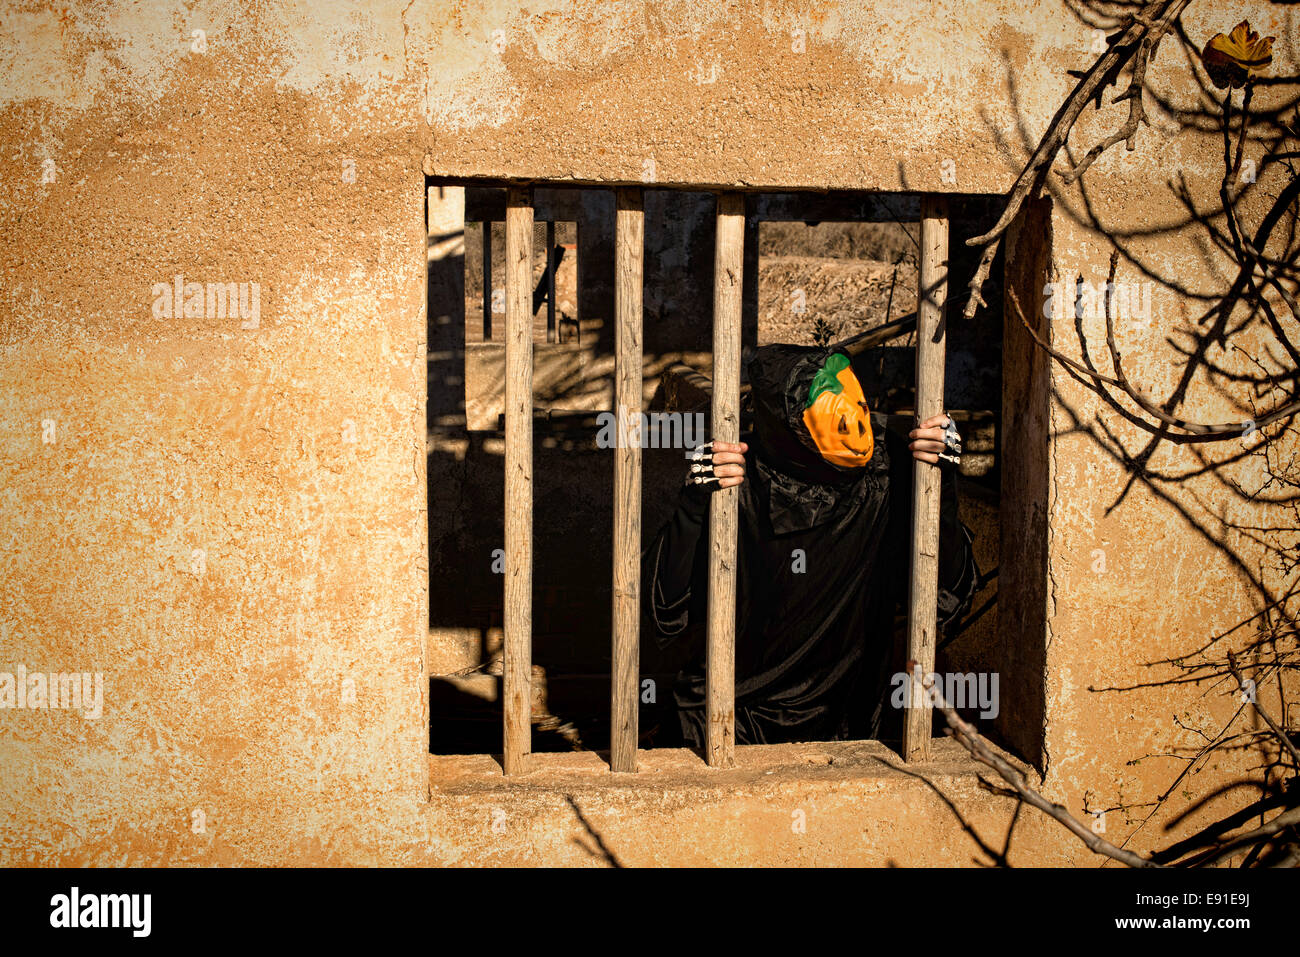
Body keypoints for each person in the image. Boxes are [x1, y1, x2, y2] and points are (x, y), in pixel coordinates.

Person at [642, 344, 979, 748]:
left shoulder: (887, 472)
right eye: (829, 401)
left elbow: (950, 591)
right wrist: (696, 500)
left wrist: (941, 479)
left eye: (853, 398)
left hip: (848, 722)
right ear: (789, 425)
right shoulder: (739, 482)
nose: (854, 423)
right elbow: (665, 609)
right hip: (728, 719)